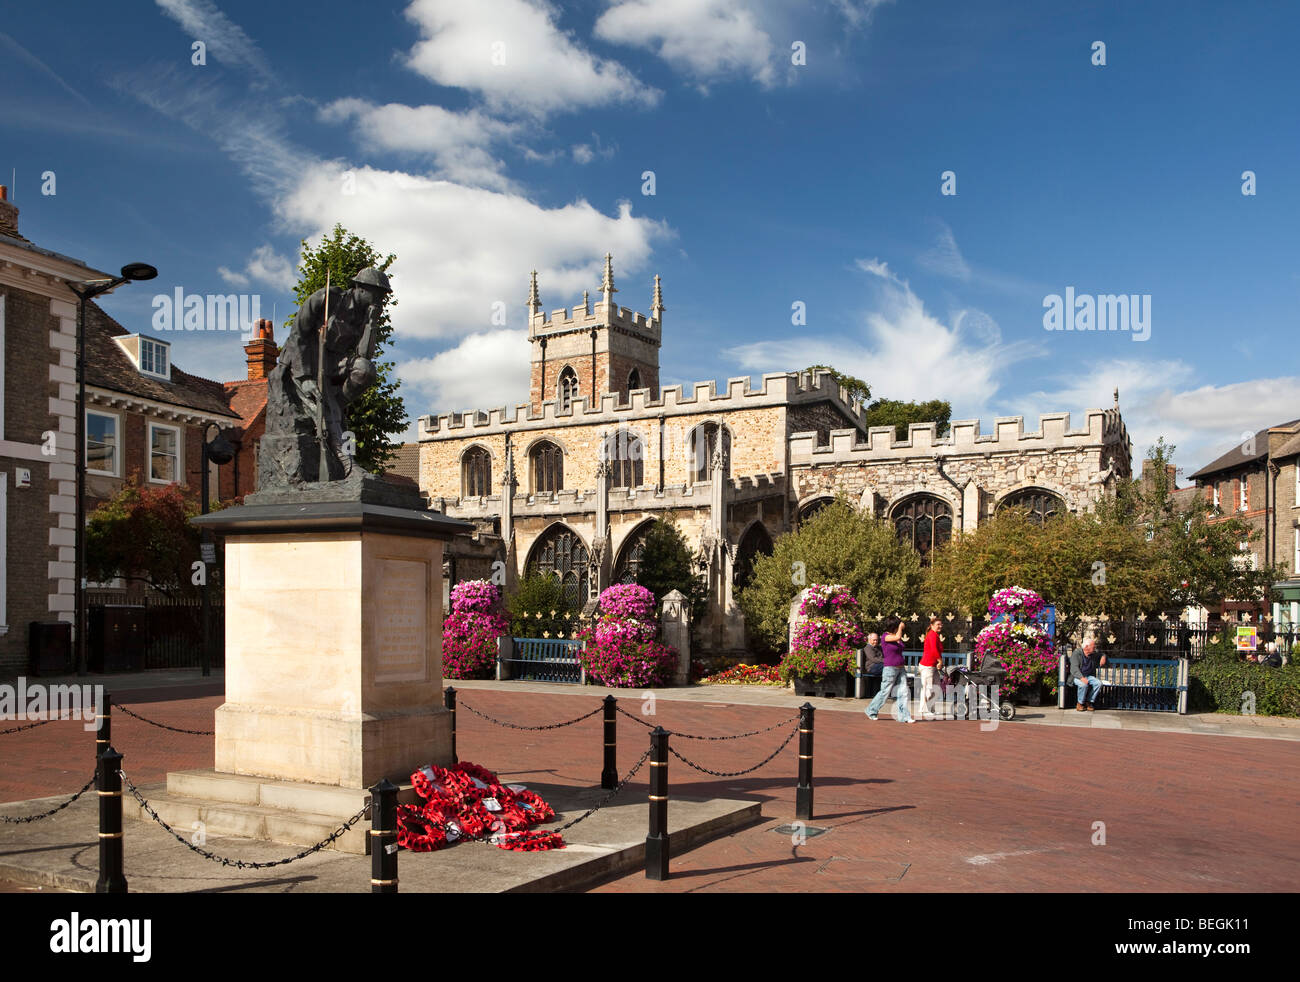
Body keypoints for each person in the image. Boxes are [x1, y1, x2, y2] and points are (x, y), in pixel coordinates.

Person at [866, 617, 914, 723]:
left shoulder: (895, 637)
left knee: (903, 692)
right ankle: (871, 710)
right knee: (885, 692)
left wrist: (899, 632)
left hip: (900, 668)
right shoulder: (885, 637)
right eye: (898, 626)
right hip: (890, 668)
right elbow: (898, 636)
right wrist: (900, 628)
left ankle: (904, 716)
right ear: (894, 627)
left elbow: (899, 641)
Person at [1068, 637, 1107, 711]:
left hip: (1089, 676)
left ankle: (1089, 702)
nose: (1094, 648)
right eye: (1093, 646)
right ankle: (1080, 703)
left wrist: (1103, 657)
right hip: (1077, 676)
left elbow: (1101, 654)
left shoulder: (1093, 654)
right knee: (1083, 684)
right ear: (1086, 647)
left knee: (1098, 683)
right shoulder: (1077, 653)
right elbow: (1074, 669)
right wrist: (1082, 678)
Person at [918, 616, 943, 720]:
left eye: (941, 624)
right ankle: (924, 709)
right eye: (938, 624)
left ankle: (930, 708)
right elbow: (933, 650)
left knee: (936, 687)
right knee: (928, 688)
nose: (940, 626)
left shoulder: (935, 635)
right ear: (932, 625)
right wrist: (940, 660)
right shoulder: (932, 635)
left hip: (932, 665)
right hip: (927, 665)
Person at [859, 632, 883, 699]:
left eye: (877, 640)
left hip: (878, 666)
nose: (876, 641)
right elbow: (874, 659)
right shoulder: (868, 647)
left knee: (890, 669)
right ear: (869, 640)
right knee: (888, 667)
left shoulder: (878, 647)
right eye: (874, 640)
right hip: (871, 667)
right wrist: (886, 661)